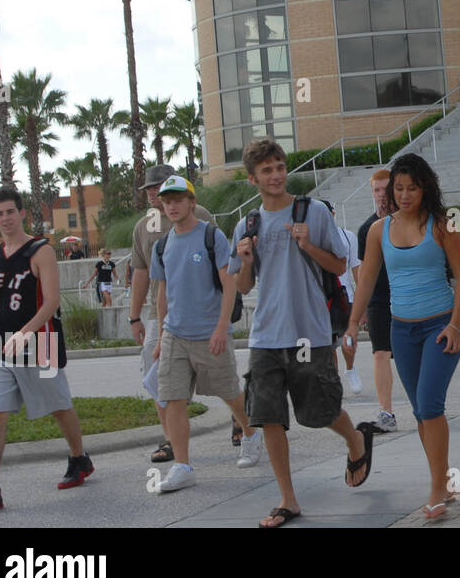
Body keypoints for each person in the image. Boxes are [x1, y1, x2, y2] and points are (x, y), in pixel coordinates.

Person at [228, 139, 371, 528]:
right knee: (269, 416)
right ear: (252, 178)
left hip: (309, 331)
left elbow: (340, 263)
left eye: (279, 167)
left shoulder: (313, 211)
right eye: (267, 171)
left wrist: (307, 245)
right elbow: (242, 287)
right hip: (265, 336)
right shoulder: (247, 225)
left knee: (319, 410)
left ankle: (355, 439)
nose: (276, 175)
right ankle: (288, 500)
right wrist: (243, 261)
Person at [347, 154, 460, 520]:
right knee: (420, 412)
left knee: (430, 405)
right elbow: (366, 279)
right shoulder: (377, 230)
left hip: (439, 327)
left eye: (411, 188)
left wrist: (456, 324)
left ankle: (437, 490)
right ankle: (444, 480)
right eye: (398, 188)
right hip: (402, 330)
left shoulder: (443, 224)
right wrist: (353, 324)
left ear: (425, 187)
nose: (403, 194)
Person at [0, 187, 93, 515]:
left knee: (59, 407)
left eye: (10, 212)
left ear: (21, 213)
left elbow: (51, 302)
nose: (5, 218)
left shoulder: (41, 251)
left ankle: (79, 457)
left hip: (42, 342)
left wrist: (25, 333)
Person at [149, 175, 261, 491]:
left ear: (191, 202)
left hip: (209, 332)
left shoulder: (212, 237)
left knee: (229, 393)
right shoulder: (162, 245)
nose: (171, 206)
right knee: (172, 398)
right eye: (166, 201)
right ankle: (182, 466)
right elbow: (162, 294)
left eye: (178, 199)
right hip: (174, 334)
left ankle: (251, 433)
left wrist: (222, 327)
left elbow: (229, 284)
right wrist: (159, 338)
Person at [129, 163, 216, 461]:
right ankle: (170, 440)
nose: (153, 194)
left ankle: (240, 420)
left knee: (217, 372)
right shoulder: (144, 226)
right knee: (157, 377)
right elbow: (139, 273)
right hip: (159, 315)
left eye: (158, 187)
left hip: (200, 309)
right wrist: (134, 316)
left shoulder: (200, 215)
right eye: (149, 189)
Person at [356, 169, 397, 432]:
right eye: (377, 190)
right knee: (380, 354)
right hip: (379, 301)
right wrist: (360, 310)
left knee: (407, 357)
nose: (382, 195)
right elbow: (363, 271)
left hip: (407, 297)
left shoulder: (407, 222)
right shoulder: (366, 229)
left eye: (386, 189)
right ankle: (387, 413)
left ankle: (426, 407)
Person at [326, 200, 363, 395]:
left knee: (348, 341)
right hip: (323, 301)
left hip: (345, 298)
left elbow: (357, 270)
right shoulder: (313, 241)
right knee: (329, 344)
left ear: (333, 214)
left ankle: (350, 369)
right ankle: (334, 379)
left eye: (328, 214)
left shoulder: (348, 237)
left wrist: (361, 302)